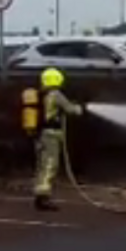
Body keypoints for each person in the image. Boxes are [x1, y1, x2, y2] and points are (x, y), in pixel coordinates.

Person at [33, 67, 84, 211]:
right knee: (50, 165)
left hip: (41, 134)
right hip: (51, 135)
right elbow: (71, 110)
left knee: (41, 165)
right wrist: (81, 108)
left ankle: (40, 195)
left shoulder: (41, 94)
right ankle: (43, 198)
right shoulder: (55, 94)